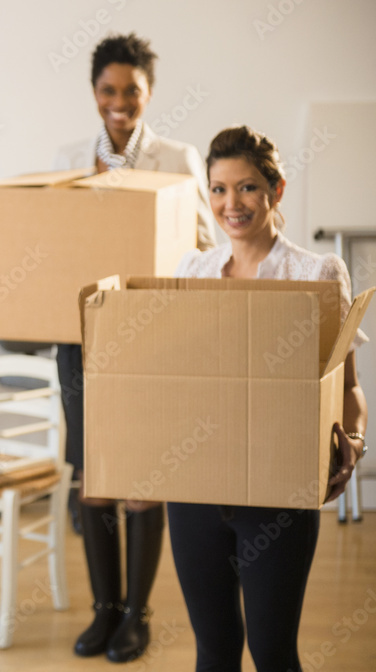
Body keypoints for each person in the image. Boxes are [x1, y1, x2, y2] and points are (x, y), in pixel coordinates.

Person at [170, 125, 367, 671]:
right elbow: (173, 385)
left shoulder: (317, 272)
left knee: (273, 651)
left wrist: (353, 440)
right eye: (218, 189)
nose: (231, 204)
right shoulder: (193, 270)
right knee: (212, 650)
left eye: (248, 187)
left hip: (277, 496)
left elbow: (347, 385)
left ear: (276, 191)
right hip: (195, 491)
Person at [51, 33, 216, 662]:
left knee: (143, 481)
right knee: (93, 480)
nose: (120, 104)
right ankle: (104, 612)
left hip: (153, 337)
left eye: (132, 93)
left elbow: (205, 245)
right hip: (83, 340)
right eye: (108, 92)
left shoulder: (178, 158)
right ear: (94, 93)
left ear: (149, 94)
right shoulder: (68, 158)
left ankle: (137, 619)